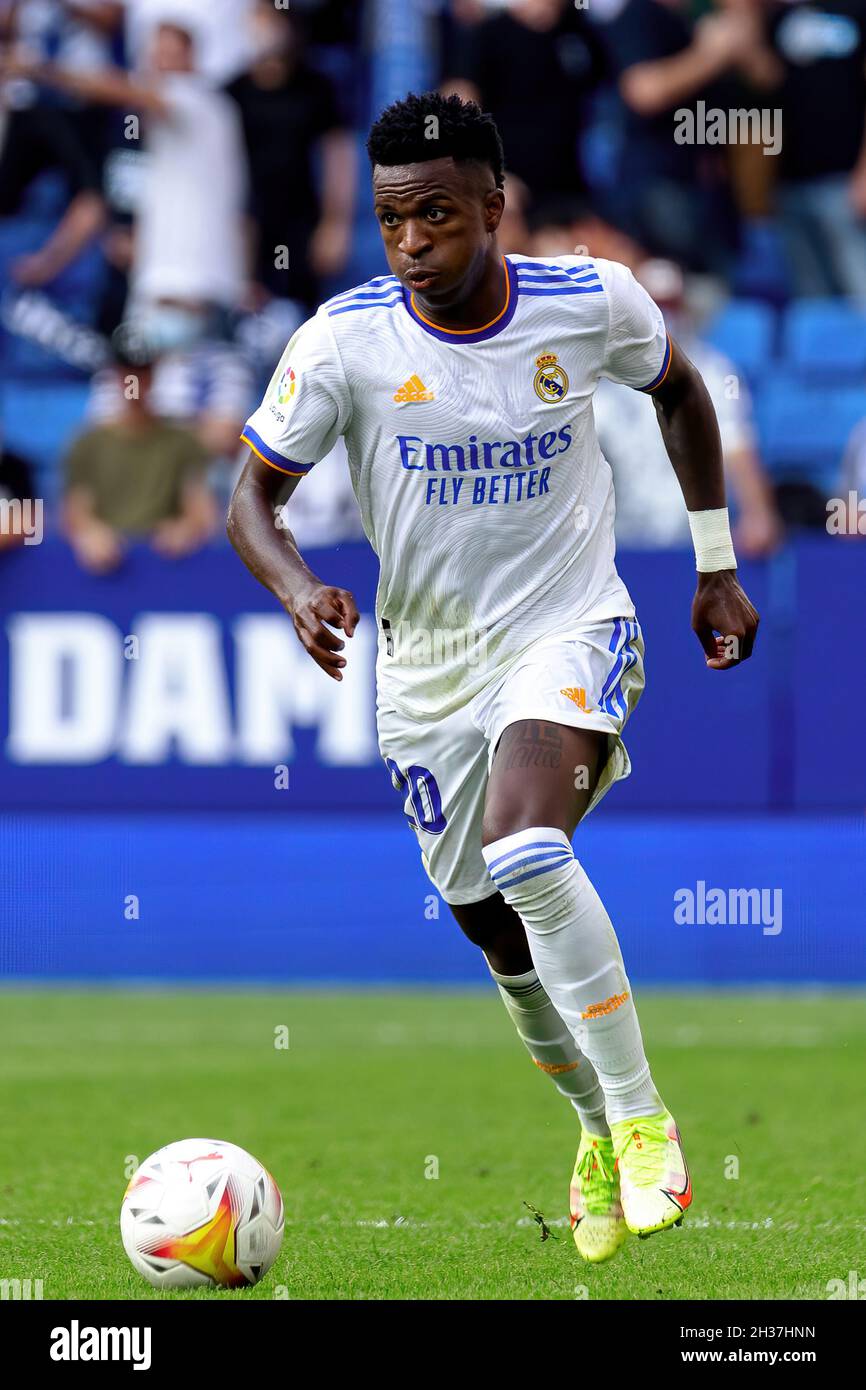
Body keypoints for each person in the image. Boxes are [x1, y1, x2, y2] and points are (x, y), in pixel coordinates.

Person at [226, 93, 760, 1265]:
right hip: (423, 674)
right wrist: (297, 589)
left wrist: (713, 564)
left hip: (567, 625)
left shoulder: (588, 302)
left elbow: (677, 390)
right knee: (492, 932)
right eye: (388, 222)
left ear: (490, 207)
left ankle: (636, 1110)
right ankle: (585, 1124)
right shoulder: (342, 342)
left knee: (527, 852)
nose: (411, 243)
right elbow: (249, 499)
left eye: (434, 216)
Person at [594, 259, 783, 555]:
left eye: (670, 304)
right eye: (654, 304)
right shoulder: (606, 377)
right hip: (624, 540)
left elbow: (736, 445)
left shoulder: (713, 370)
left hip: (694, 539)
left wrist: (757, 513)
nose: (663, 314)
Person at [63, 333, 216, 573]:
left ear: (154, 375)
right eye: (127, 373)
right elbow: (77, 512)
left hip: (169, 568)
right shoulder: (88, 443)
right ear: (114, 376)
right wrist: (91, 532)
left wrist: (185, 529)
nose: (134, 382)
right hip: (107, 567)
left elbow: (201, 510)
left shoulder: (183, 442)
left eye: (143, 373)